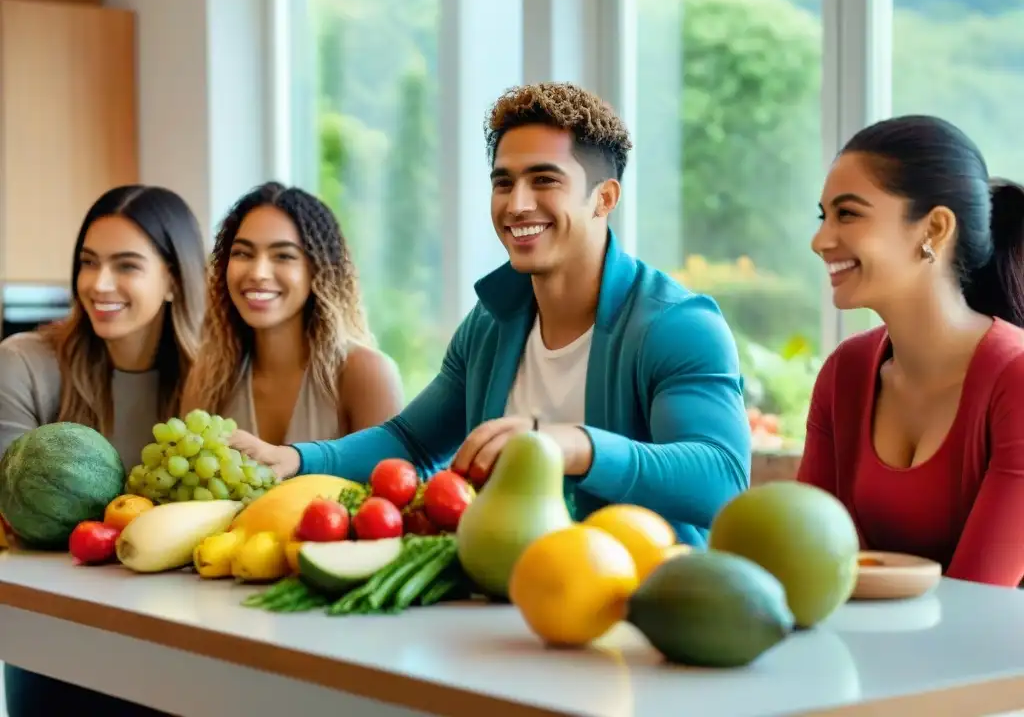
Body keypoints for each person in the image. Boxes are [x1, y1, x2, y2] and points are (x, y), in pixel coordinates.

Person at [232, 82, 751, 545]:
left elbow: (721, 480)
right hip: (498, 598)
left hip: (631, 607)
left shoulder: (677, 325)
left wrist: (575, 445)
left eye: (544, 180)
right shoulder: (489, 323)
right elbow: (411, 440)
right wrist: (297, 459)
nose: (517, 204)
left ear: (604, 198)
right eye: (503, 182)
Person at [0, 184, 206, 715]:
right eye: (88, 263)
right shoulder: (24, 363)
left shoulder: (212, 381)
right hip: (55, 642)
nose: (99, 284)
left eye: (127, 265)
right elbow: (12, 517)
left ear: (174, 281)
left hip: (183, 637)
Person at [798, 114, 1024, 588]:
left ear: (935, 228)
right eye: (824, 216)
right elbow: (810, 563)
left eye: (849, 214)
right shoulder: (845, 373)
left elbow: (979, 604)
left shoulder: (1017, 379)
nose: (821, 240)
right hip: (874, 654)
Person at [182, 182, 403, 443]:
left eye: (283, 256)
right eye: (242, 253)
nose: (257, 273)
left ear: (317, 270)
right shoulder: (209, 377)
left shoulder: (365, 373)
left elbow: (390, 481)